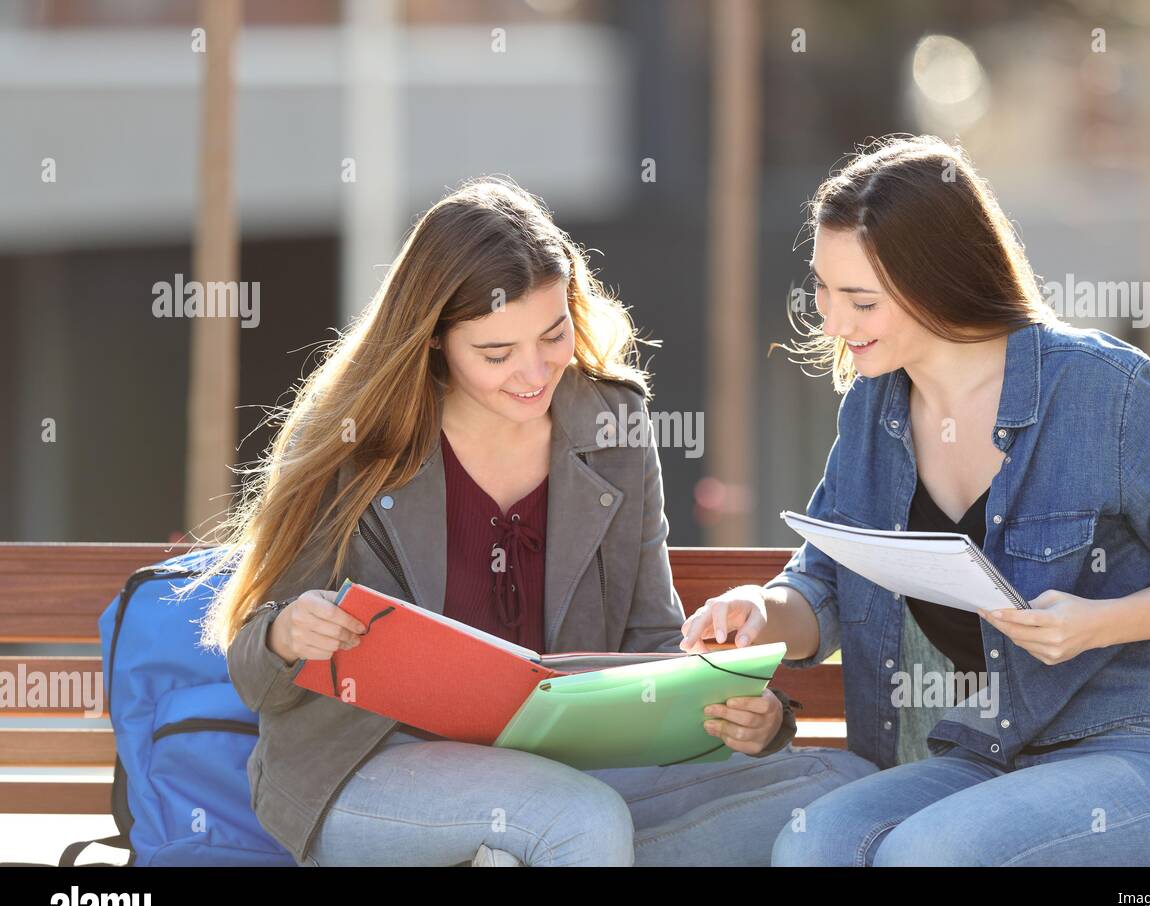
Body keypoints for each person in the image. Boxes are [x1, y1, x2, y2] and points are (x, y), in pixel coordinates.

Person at [190, 177, 873, 867]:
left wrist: (748, 714)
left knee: (840, 794)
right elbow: (254, 670)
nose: (534, 372)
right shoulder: (352, 439)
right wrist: (286, 632)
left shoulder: (612, 424)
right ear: (433, 343)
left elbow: (649, 643)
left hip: (573, 762)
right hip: (376, 765)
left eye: (553, 335)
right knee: (575, 820)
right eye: (496, 353)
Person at [681, 136, 1150, 866]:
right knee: (816, 845)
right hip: (993, 748)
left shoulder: (1098, 388)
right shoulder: (874, 409)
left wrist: (1101, 623)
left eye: (860, 300)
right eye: (823, 291)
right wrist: (760, 614)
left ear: (940, 280)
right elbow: (826, 582)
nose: (831, 323)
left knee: (931, 854)